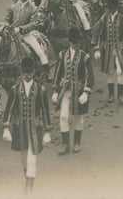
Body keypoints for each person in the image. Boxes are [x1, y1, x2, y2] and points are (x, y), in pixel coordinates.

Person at [2, 56, 52, 193]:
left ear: (34, 72)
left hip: (36, 129)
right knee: (23, 157)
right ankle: (27, 178)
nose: (27, 75)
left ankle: (29, 187)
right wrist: (6, 127)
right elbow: (9, 109)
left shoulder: (41, 90)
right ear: (22, 72)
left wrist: (47, 132)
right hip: (20, 129)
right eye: (25, 72)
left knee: (32, 158)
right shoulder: (15, 89)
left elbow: (46, 111)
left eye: (29, 72)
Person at [51, 26, 93, 154]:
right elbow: (58, 73)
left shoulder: (85, 56)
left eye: (79, 42)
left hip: (79, 92)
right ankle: (65, 144)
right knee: (63, 117)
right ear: (70, 42)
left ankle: (76, 142)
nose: (77, 45)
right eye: (75, 43)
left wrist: (86, 92)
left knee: (78, 118)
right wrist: (55, 90)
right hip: (65, 91)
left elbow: (90, 76)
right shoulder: (62, 54)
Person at [92, 0, 123, 105]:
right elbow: (97, 31)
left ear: (115, 7)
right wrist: (96, 48)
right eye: (108, 8)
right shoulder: (104, 18)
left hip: (121, 48)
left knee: (120, 71)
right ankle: (111, 95)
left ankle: (120, 95)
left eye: (111, 8)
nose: (109, 10)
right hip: (107, 49)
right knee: (110, 72)